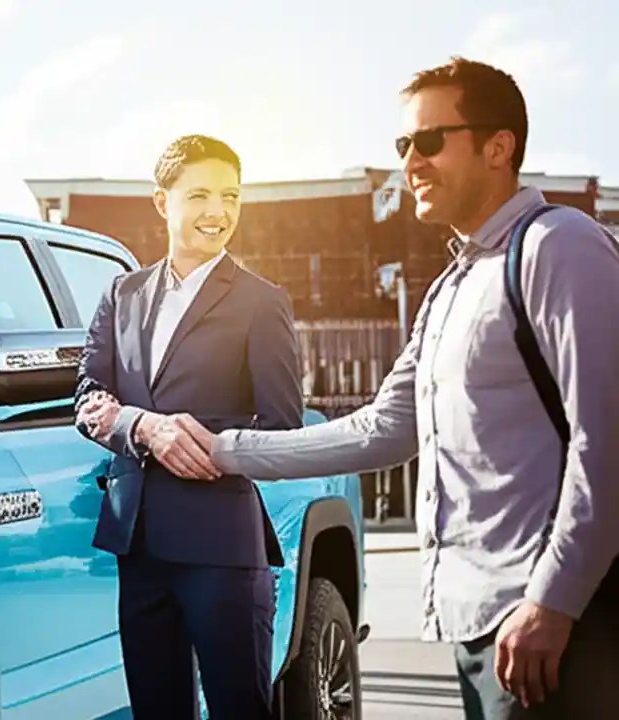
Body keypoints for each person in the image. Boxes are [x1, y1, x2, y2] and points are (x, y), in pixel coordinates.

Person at [176, 57, 619, 718]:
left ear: (499, 147)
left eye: (431, 141)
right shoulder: (451, 287)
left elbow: (607, 441)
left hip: (558, 626)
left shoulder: (559, 247)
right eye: (402, 145)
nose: (411, 162)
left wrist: (554, 601)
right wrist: (222, 450)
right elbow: (383, 426)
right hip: (485, 630)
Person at [74, 133, 304, 719]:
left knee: (238, 710)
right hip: (138, 544)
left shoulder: (262, 302)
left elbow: (282, 427)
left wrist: (206, 446)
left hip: (221, 549)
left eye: (230, 196)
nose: (218, 212)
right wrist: (141, 426)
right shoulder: (121, 295)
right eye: (199, 195)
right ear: (162, 202)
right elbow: (86, 395)